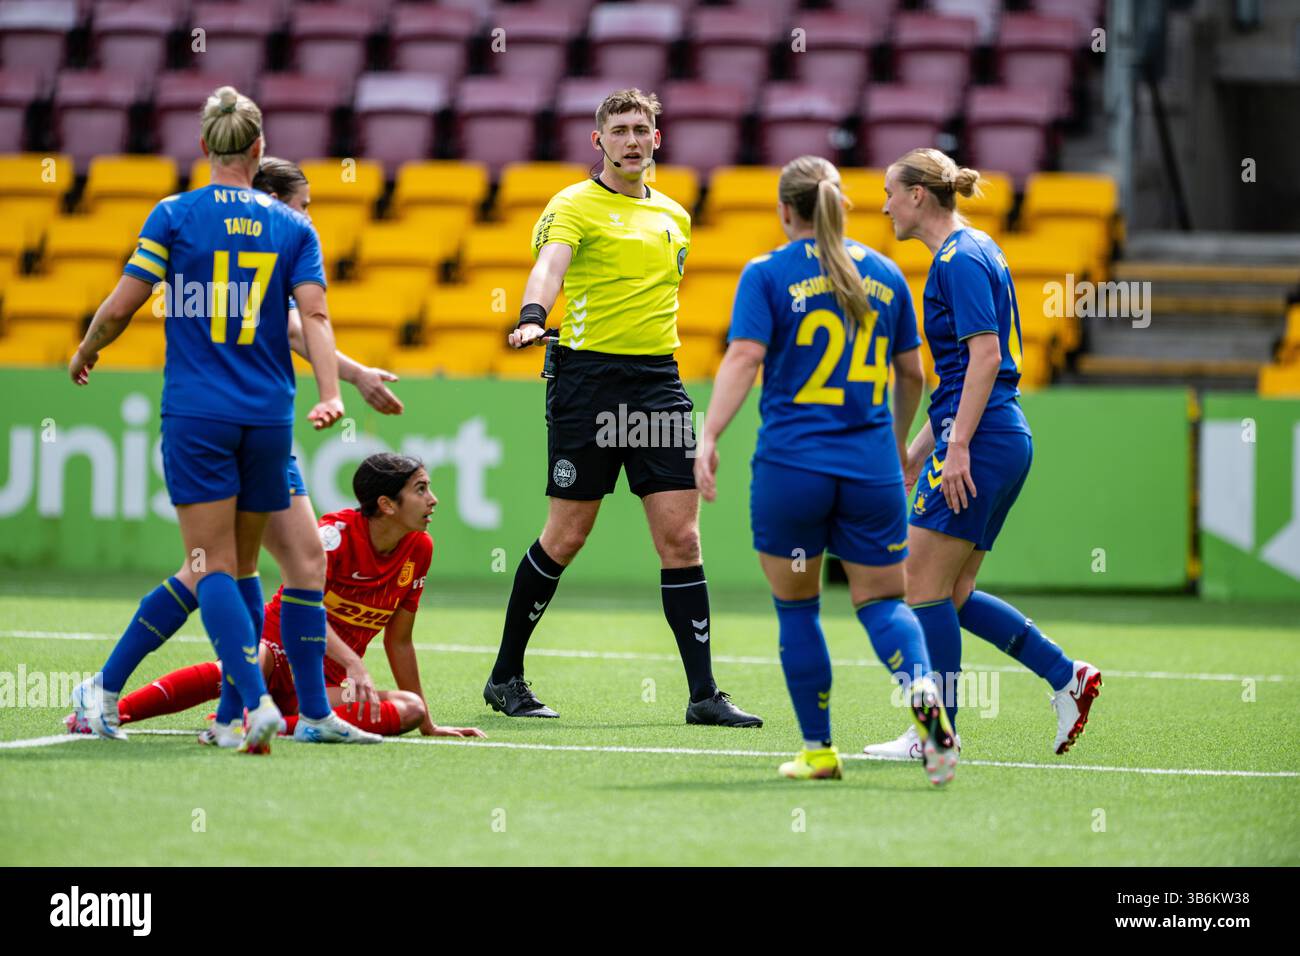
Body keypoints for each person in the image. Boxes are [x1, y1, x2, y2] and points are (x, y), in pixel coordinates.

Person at [65, 156, 406, 747]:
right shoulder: (261, 240)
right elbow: (302, 327)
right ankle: (113, 690)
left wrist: (352, 377)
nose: (306, 216)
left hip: (260, 427)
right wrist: (346, 381)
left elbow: (299, 328)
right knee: (212, 569)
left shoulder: (254, 245)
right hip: (225, 423)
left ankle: (293, 716)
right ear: (270, 198)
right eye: (301, 205)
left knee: (295, 563)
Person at [483, 88, 761, 727]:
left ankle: (703, 696)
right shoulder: (572, 204)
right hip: (586, 380)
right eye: (620, 130)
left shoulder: (675, 216)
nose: (632, 140)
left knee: (682, 536)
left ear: (657, 139)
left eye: (642, 129)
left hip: (657, 382)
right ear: (598, 141)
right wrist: (533, 316)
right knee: (567, 535)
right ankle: (506, 677)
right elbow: (551, 267)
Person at [694, 156, 956, 785]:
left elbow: (743, 357)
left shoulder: (766, 274)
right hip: (870, 474)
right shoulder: (889, 276)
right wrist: (893, 446)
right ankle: (927, 701)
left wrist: (707, 434)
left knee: (798, 611)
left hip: (792, 471)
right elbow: (915, 374)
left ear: (787, 210)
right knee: (883, 603)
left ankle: (819, 751)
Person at [865, 147, 1102, 759]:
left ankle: (936, 734)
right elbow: (958, 375)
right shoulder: (973, 248)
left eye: (891, 192)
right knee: (953, 593)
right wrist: (924, 445)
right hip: (993, 434)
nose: (884, 205)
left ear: (918, 195)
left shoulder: (958, 259)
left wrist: (958, 444)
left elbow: (986, 359)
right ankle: (1067, 676)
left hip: (983, 436)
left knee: (918, 583)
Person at [81, 454, 485, 742]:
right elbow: (303, 610)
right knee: (249, 658)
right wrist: (353, 660)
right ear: (385, 504)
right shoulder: (332, 537)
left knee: (409, 708)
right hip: (278, 651)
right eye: (421, 490)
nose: (433, 499)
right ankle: (112, 709)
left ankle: (285, 722)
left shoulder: (420, 550)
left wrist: (429, 723)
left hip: (326, 683)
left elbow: (399, 640)